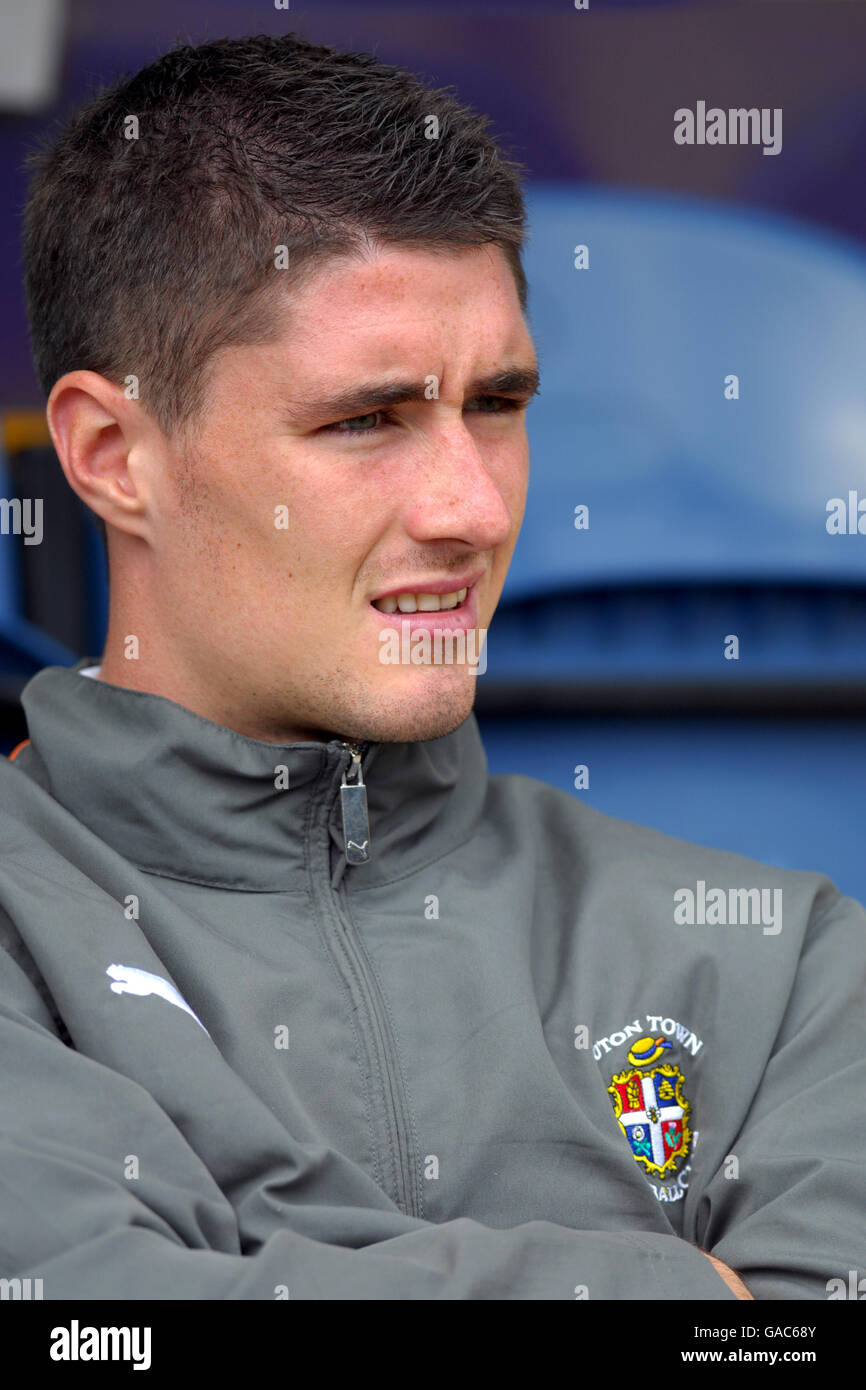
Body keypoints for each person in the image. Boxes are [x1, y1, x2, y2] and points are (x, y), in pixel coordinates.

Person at [2, 32, 862, 1301]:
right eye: (365, 420)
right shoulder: (29, 925)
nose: (472, 505)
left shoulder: (783, 959)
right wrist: (689, 1292)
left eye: (498, 405)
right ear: (114, 454)